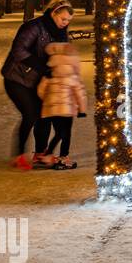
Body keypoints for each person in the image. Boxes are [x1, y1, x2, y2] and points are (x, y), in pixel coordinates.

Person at [1, 0, 73, 170]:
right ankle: (18, 155)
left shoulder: (61, 33)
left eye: (69, 20)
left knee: (44, 114)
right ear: (54, 13)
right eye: (63, 19)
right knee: (31, 114)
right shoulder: (33, 27)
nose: (65, 23)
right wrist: (42, 66)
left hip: (39, 81)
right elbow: (18, 51)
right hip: (16, 78)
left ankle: (40, 152)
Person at [38, 39, 87, 169]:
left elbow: (41, 92)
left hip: (52, 110)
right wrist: (82, 110)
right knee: (65, 134)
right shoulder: (73, 77)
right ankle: (61, 156)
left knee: (59, 132)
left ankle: (49, 154)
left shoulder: (49, 75)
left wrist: (48, 102)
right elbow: (80, 94)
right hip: (67, 110)